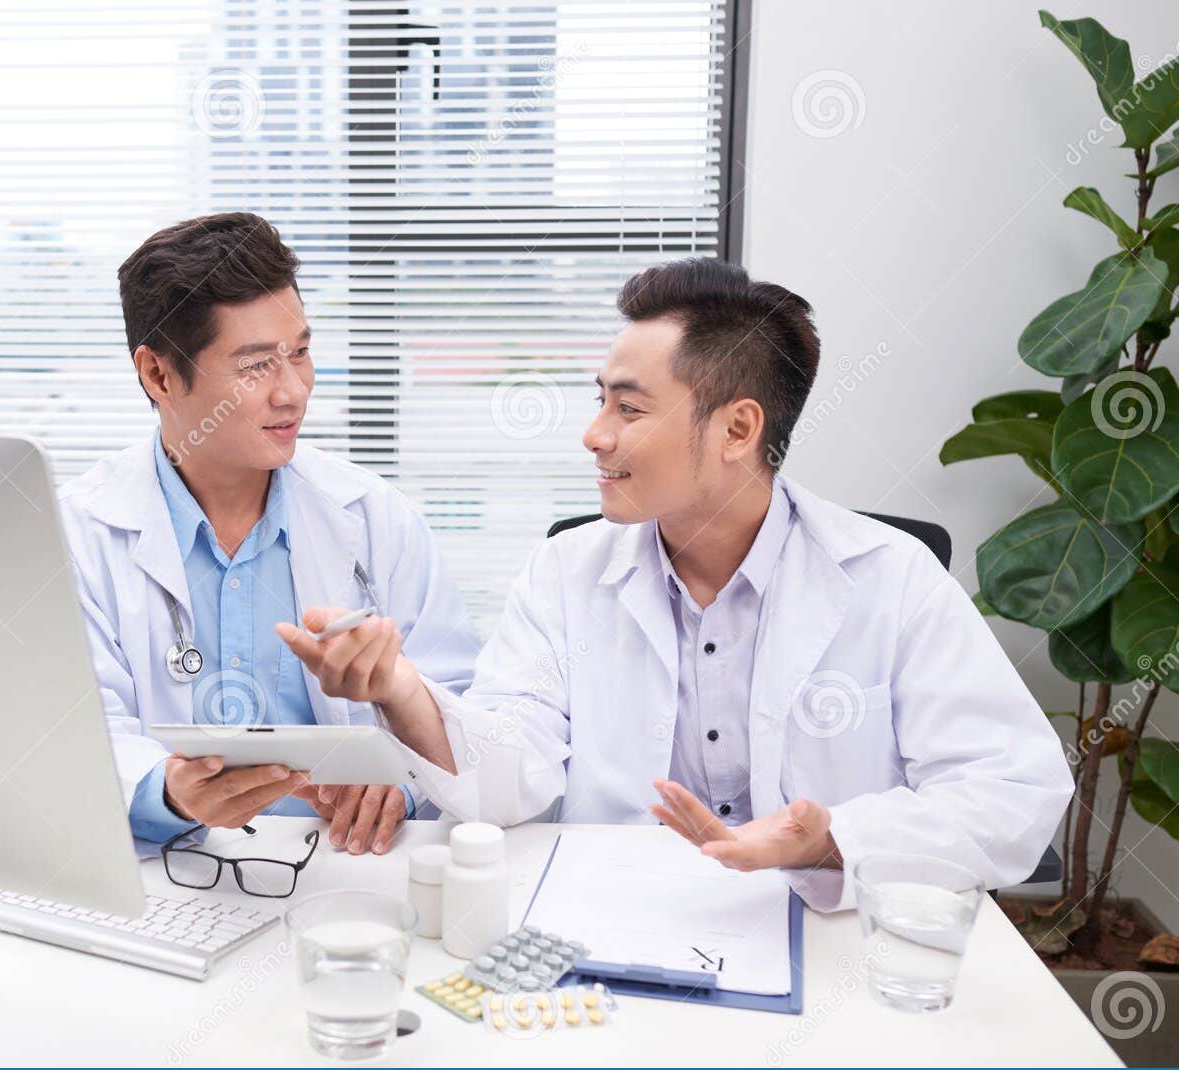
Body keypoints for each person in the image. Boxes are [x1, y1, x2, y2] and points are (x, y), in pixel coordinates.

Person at [278, 257, 1072, 909]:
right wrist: (402, 691)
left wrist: (835, 838)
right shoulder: (566, 572)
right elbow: (508, 775)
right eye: (601, 401)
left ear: (737, 429)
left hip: (820, 931)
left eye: (629, 408)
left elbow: (1013, 790)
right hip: (612, 927)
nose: (595, 435)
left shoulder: (889, 576)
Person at [60, 212, 480, 855]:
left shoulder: (375, 517)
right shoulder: (78, 534)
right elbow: (73, 733)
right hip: (172, 870)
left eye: (301, 353)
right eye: (255, 366)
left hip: (348, 867)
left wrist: (406, 780)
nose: (293, 392)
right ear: (160, 376)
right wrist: (166, 792)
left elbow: (459, 706)